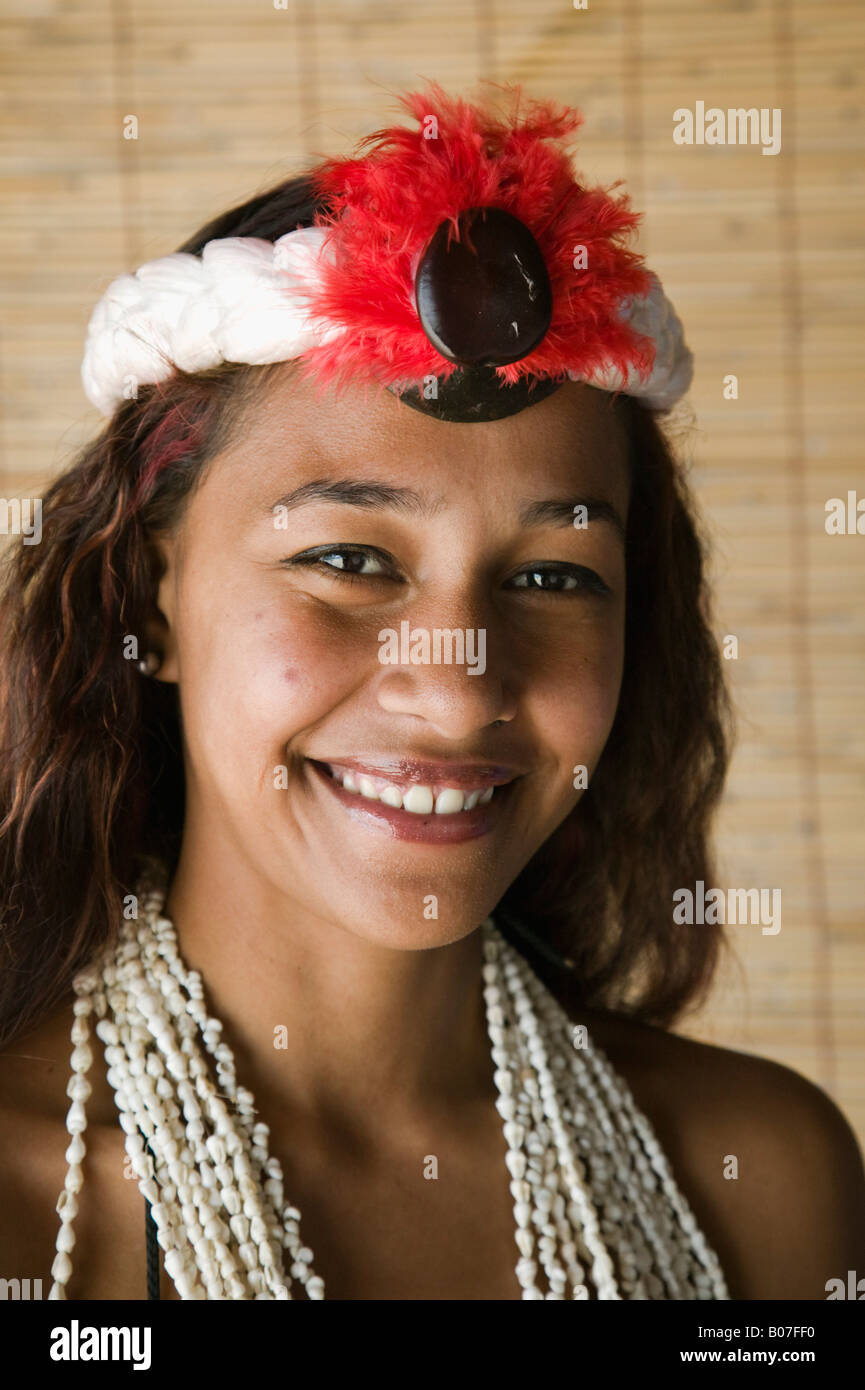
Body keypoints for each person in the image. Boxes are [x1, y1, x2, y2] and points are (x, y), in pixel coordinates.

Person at [0, 82, 862, 1302]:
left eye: (556, 575)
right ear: (152, 601)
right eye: (349, 560)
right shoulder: (26, 1220)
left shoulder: (762, 1187)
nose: (460, 696)